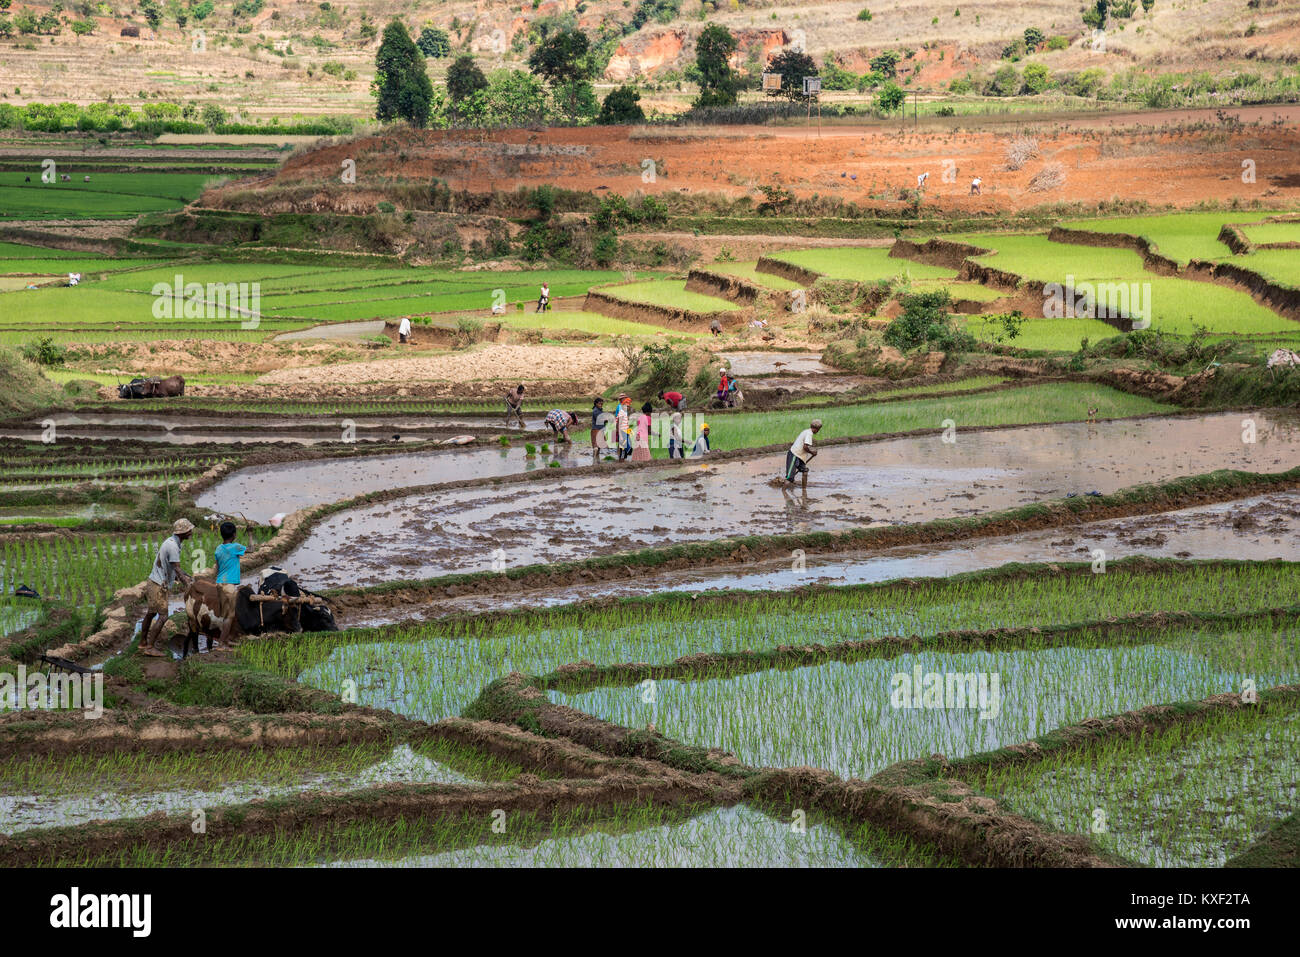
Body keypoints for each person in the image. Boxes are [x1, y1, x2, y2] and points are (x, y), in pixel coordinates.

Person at [140, 518, 195, 658]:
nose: (191, 531)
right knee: (163, 616)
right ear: (182, 532)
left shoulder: (172, 542)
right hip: (159, 586)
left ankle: (142, 642)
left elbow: (171, 568)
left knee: (151, 613)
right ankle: (150, 647)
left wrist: (186, 576)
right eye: (189, 530)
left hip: (154, 582)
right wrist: (188, 584)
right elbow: (177, 569)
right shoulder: (173, 546)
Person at [213, 520, 250, 647]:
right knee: (230, 615)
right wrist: (250, 534)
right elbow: (251, 549)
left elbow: (216, 567)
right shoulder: (235, 547)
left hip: (219, 583)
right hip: (229, 586)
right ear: (234, 534)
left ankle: (226, 639)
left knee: (224, 614)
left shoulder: (218, 548)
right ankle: (221, 644)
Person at [783, 419, 822, 491]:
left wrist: (811, 451)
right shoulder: (809, 434)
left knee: (805, 471)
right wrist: (812, 453)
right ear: (818, 429)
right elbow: (805, 447)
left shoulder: (807, 431)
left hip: (800, 457)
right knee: (789, 478)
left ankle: (804, 491)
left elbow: (805, 447)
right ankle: (783, 493)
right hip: (794, 455)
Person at [615, 393, 632, 460]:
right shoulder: (621, 407)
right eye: (624, 398)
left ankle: (622, 457)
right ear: (621, 400)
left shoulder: (624, 407)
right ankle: (621, 457)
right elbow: (619, 419)